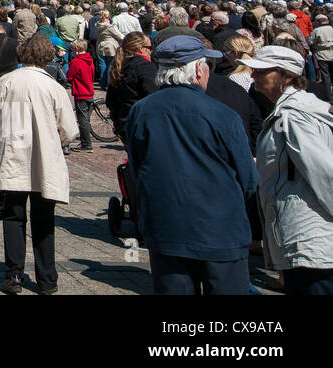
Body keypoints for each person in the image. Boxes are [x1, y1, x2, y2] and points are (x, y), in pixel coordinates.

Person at [125, 35, 258, 295]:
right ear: (198, 69)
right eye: (207, 66)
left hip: (167, 227)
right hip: (220, 229)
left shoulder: (141, 111)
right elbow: (248, 178)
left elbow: (137, 167)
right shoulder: (221, 114)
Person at [0, 33, 79, 294]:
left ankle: (14, 275)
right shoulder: (53, 86)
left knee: (13, 218)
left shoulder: (6, 82)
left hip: (13, 156)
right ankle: (47, 279)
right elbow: (69, 130)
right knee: (44, 220)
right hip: (43, 159)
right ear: (48, 55)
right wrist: (52, 139)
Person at [249, 44, 333, 294]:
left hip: (311, 241)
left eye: (262, 71)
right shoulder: (290, 112)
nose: (253, 75)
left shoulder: (293, 117)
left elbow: (324, 172)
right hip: (304, 238)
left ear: (285, 76)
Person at [106, 31, 155, 143]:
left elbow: (110, 101)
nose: (151, 51)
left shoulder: (118, 66)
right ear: (141, 49)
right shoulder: (145, 67)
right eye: (149, 47)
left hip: (124, 125)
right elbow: (153, 98)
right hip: (142, 126)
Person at [65, 38, 95, 152]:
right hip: (89, 92)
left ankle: (86, 144)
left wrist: (69, 80)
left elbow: (70, 76)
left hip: (81, 93)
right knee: (85, 118)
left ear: (76, 49)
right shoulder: (90, 60)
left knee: (82, 120)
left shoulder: (76, 62)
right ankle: (86, 143)